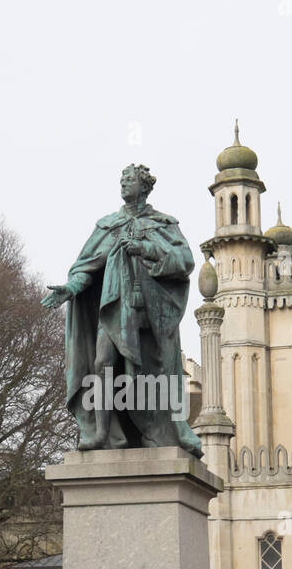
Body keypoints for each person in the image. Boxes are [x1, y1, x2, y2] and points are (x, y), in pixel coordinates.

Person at [41, 164, 202, 456]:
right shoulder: (107, 225)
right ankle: (103, 433)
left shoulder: (163, 224)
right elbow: (87, 266)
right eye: (122, 179)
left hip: (150, 314)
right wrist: (72, 288)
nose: (124, 183)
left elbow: (184, 261)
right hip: (113, 308)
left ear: (145, 186)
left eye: (130, 179)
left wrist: (145, 248)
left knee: (152, 372)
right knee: (102, 362)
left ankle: (160, 429)